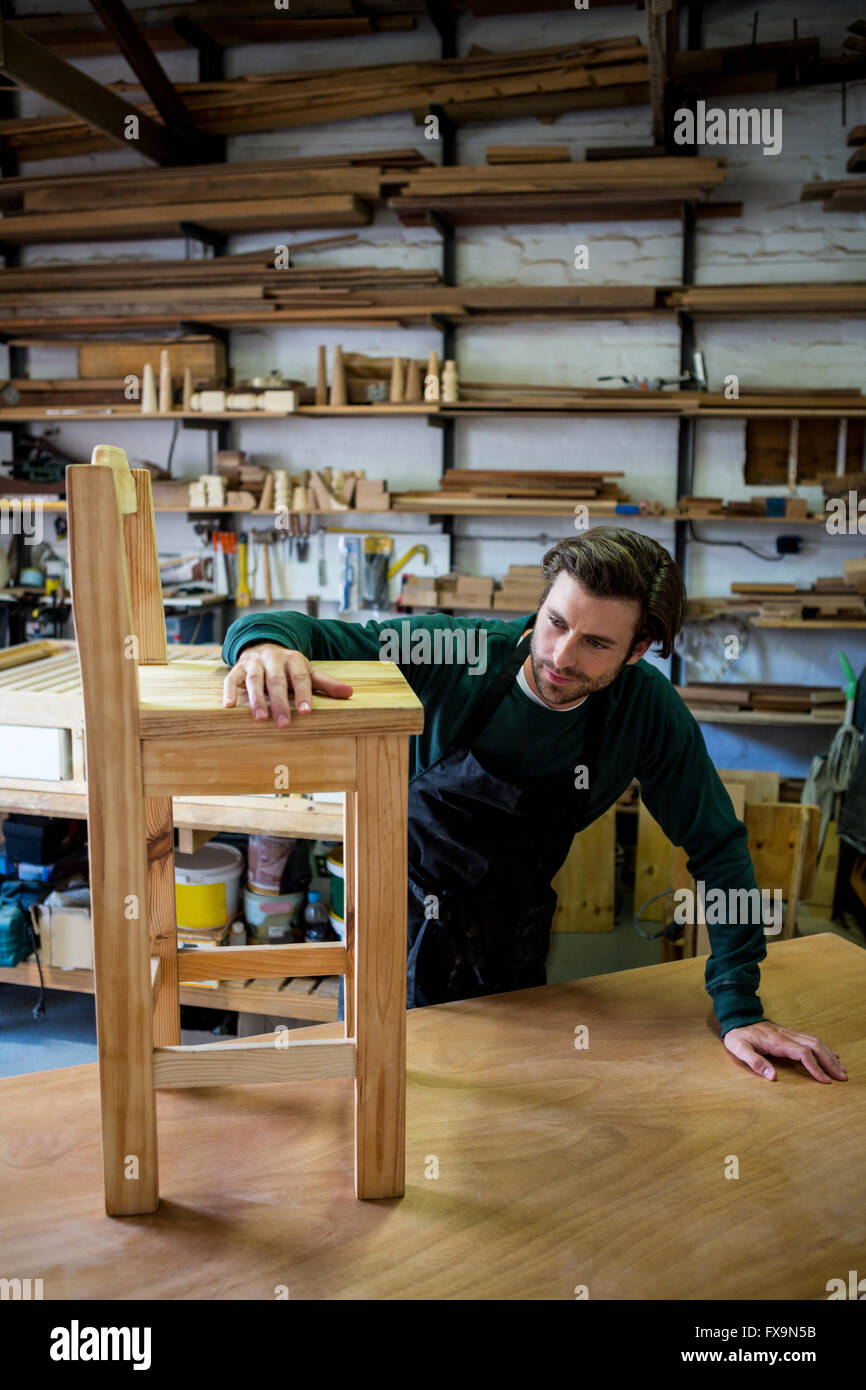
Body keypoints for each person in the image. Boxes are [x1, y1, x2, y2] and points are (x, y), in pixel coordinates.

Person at [221, 527, 847, 1085]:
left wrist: (740, 1005)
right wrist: (263, 647)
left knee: (506, 1102)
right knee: (376, 1098)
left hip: (514, 938)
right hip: (395, 921)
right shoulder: (456, 654)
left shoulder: (646, 713)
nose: (560, 655)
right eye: (555, 622)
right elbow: (306, 631)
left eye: (597, 643)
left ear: (637, 651)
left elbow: (720, 850)